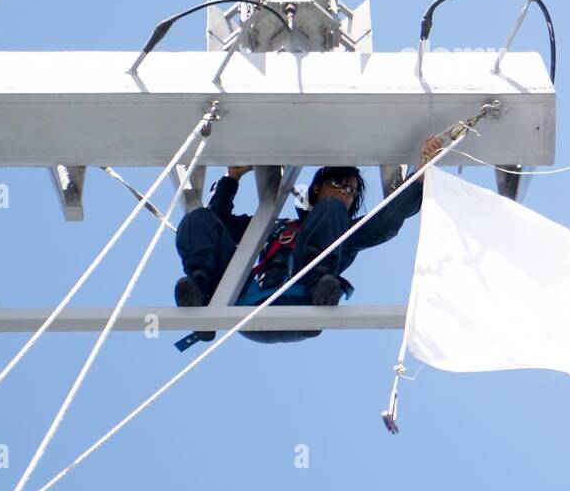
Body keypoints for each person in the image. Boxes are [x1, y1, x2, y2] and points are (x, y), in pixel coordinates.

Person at [173, 135, 444, 346]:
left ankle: (320, 282)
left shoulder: (344, 233)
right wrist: (231, 178)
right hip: (246, 306)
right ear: (317, 187)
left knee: (331, 211)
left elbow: (386, 222)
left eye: (351, 191)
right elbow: (215, 222)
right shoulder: (272, 227)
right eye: (338, 183)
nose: (344, 193)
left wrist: (419, 177)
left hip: (306, 304)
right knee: (197, 218)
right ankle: (202, 292)